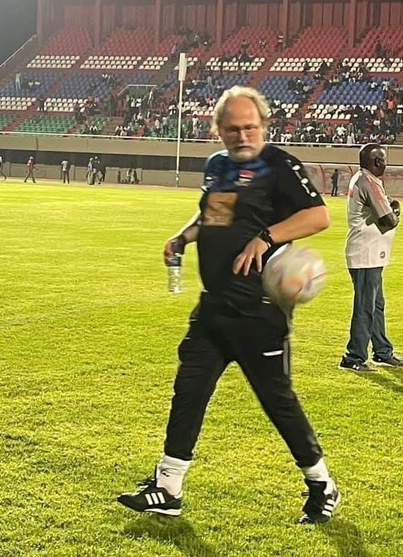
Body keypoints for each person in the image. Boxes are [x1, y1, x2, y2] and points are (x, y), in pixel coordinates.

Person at [117, 86, 339, 524]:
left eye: (250, 127)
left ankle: (320, 483)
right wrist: (182, 236)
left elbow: (319, 216)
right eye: (234, 128)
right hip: (214, 308)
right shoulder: (218, 166)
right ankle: (168, 486)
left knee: (277, 402)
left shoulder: (278, 164)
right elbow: (214, 216)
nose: (243, 136)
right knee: (188, 392)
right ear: (218, 130)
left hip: (258, 311)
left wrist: (267, 237)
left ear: (263, 126)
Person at [339, 144, 403, 373]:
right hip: (365, 254)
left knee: (376, 305)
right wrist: (396, 211)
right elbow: (389, 219)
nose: (386, 163)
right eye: (384, 159)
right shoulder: (367, 181)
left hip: (369, 253)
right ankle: (353, 356)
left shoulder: (364, 179)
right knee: (365, 306)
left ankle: (382, 351)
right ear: (377, 161)